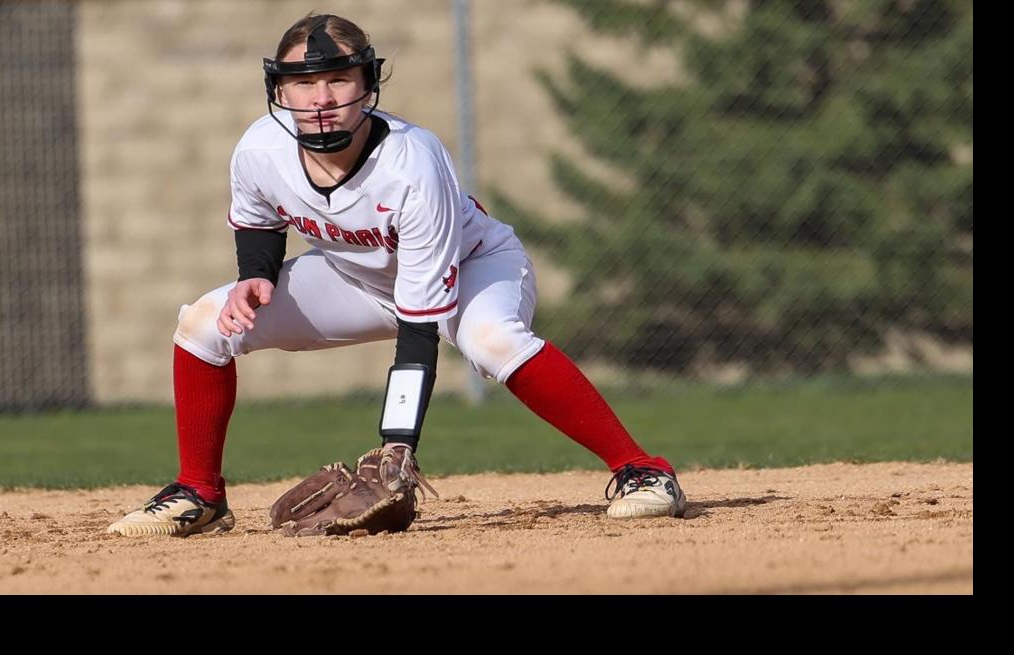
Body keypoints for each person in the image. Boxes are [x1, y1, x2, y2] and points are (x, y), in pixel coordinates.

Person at [108, 12, 685, 538]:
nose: (320, 99)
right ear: (278, 90)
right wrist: (254, 275)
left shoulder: (411, 163)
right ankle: (200, 493)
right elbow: (259, 220)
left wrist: (397, 443)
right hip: (356, 277)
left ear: (368, 84)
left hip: (471, 267)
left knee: (493, 341)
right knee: (204, 324)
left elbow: (419, 325)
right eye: (303, 83)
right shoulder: (261, 148)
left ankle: (643, 471)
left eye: (338, 79)